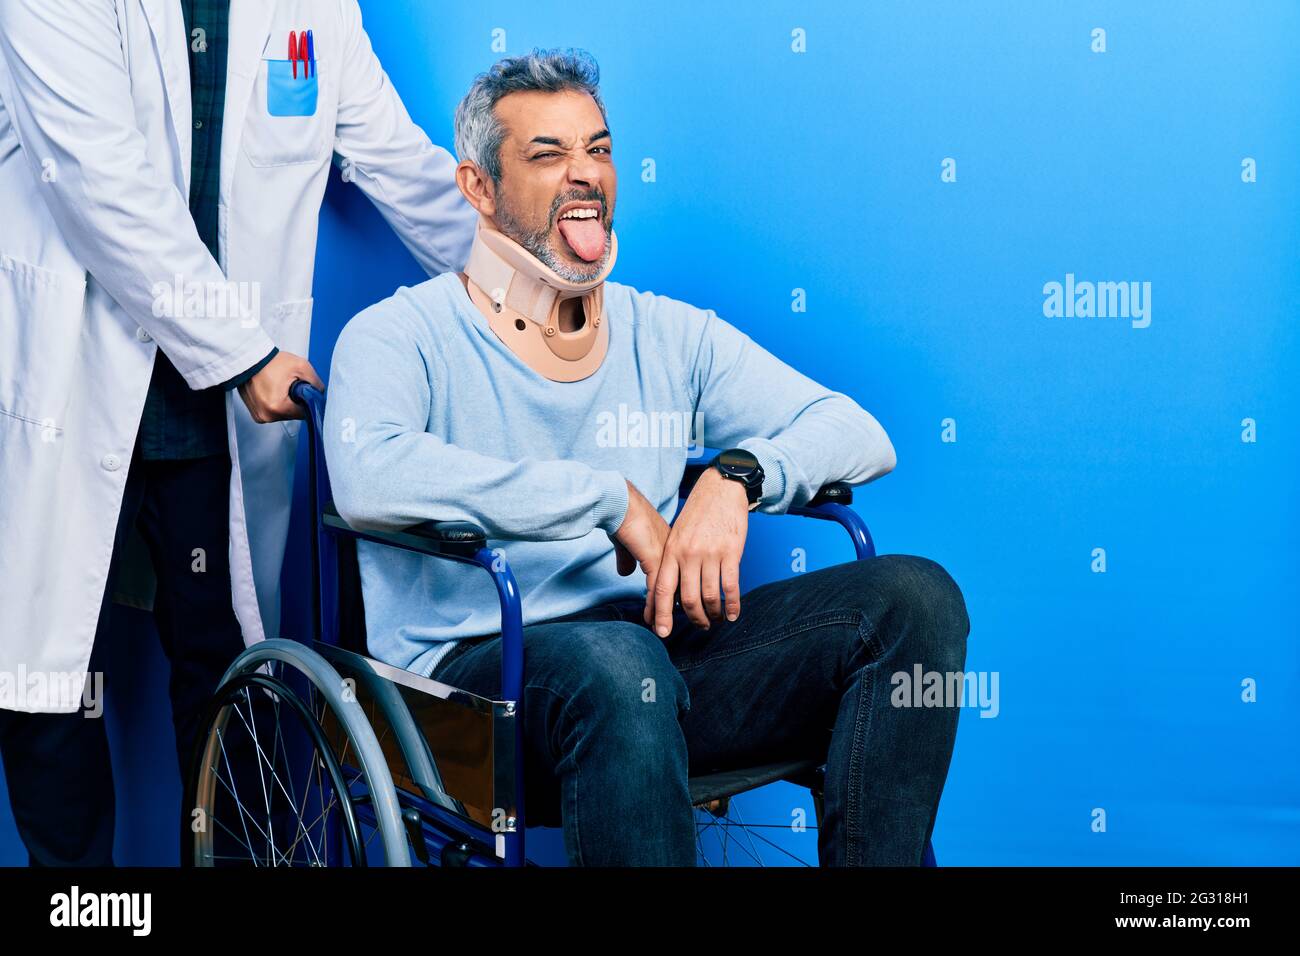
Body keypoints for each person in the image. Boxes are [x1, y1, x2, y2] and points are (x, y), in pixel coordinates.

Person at [324, 49, 969, 865]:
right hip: (473, 695)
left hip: (653, 668)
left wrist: (736, 479)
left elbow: (857, 431)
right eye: (548, 154)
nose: (585, 173)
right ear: (478, 187)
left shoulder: (665, 333)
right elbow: (369, 473)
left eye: (598, 149)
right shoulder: (398, 334)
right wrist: (607, 498)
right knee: (616, 659)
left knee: (916, 598)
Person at [0, 0, 477, 865]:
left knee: (230, 682)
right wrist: (243, 350)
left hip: (206, 415)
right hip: (73, 378)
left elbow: (404, 168)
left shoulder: (316, 10)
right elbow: (96, 177)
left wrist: (536, 289)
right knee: (46, 689)